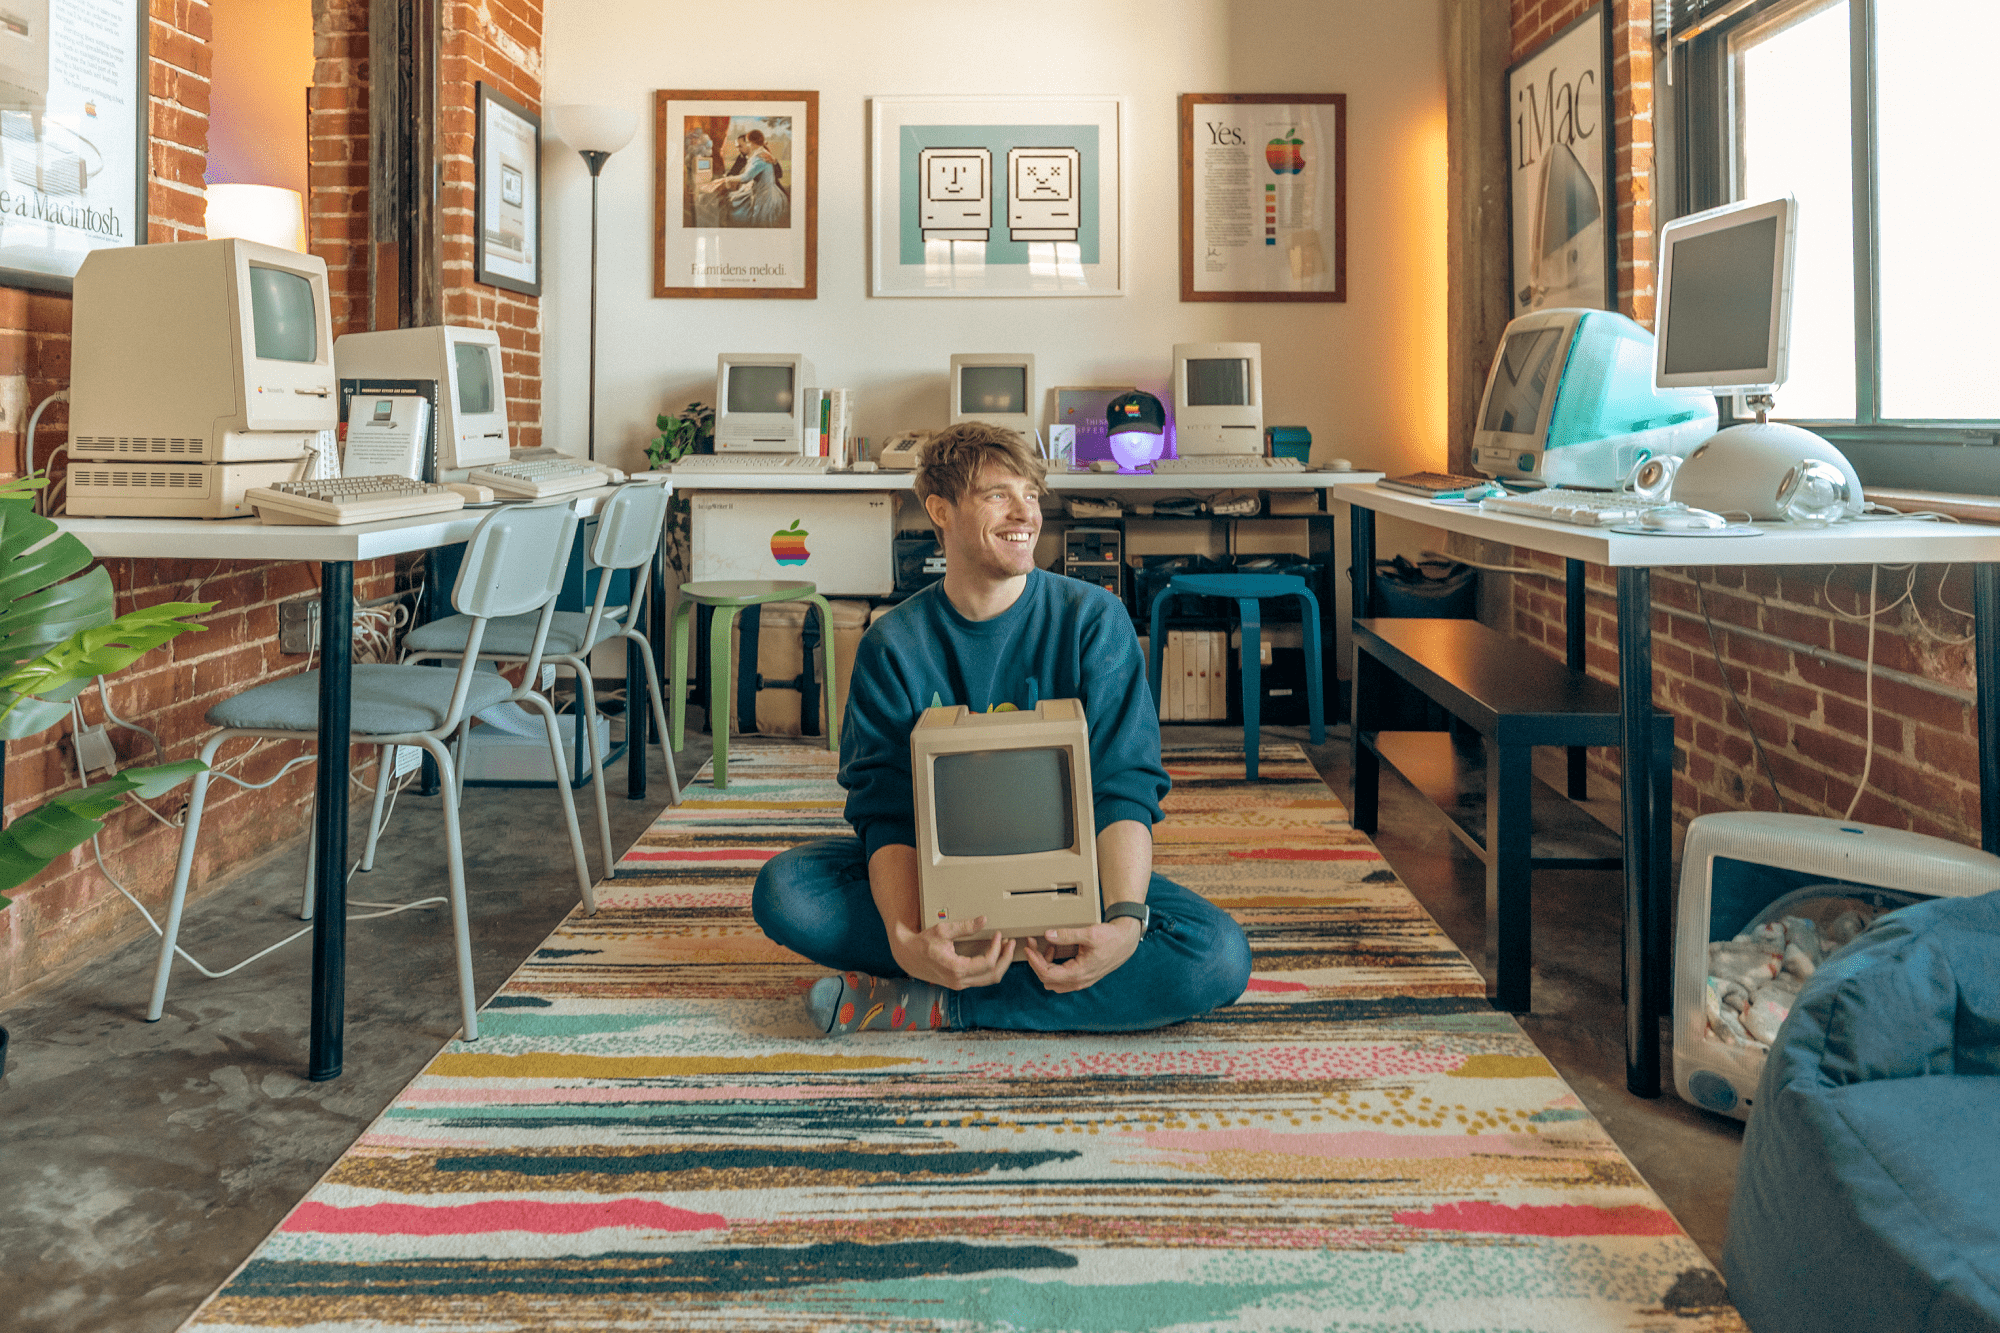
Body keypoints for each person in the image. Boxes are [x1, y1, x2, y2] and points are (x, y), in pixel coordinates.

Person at [751, 423, 1253, 1034]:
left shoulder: (1094, 619)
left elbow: (1124, 786)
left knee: (1218, 956)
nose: (1026, 514)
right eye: (997, 495)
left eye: (1032, 495)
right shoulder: (893, 642)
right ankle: (969, 970)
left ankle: (942, 1002)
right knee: (786, 892)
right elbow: (885, 808)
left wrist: (1122, 923)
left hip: (1069, 882)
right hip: (940, 887)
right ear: (940, 510)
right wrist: (907, 936)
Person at [701, 129, 790, 228]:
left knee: (734, 206)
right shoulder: (751, 155)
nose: (741, 148)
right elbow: (735, 172)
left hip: (765, 195)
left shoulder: (761, 157)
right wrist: (727, 179)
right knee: (729, 199)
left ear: (752, 143)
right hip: (756, 189)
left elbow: (747, 177)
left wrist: (727, 180)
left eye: (745, 143)